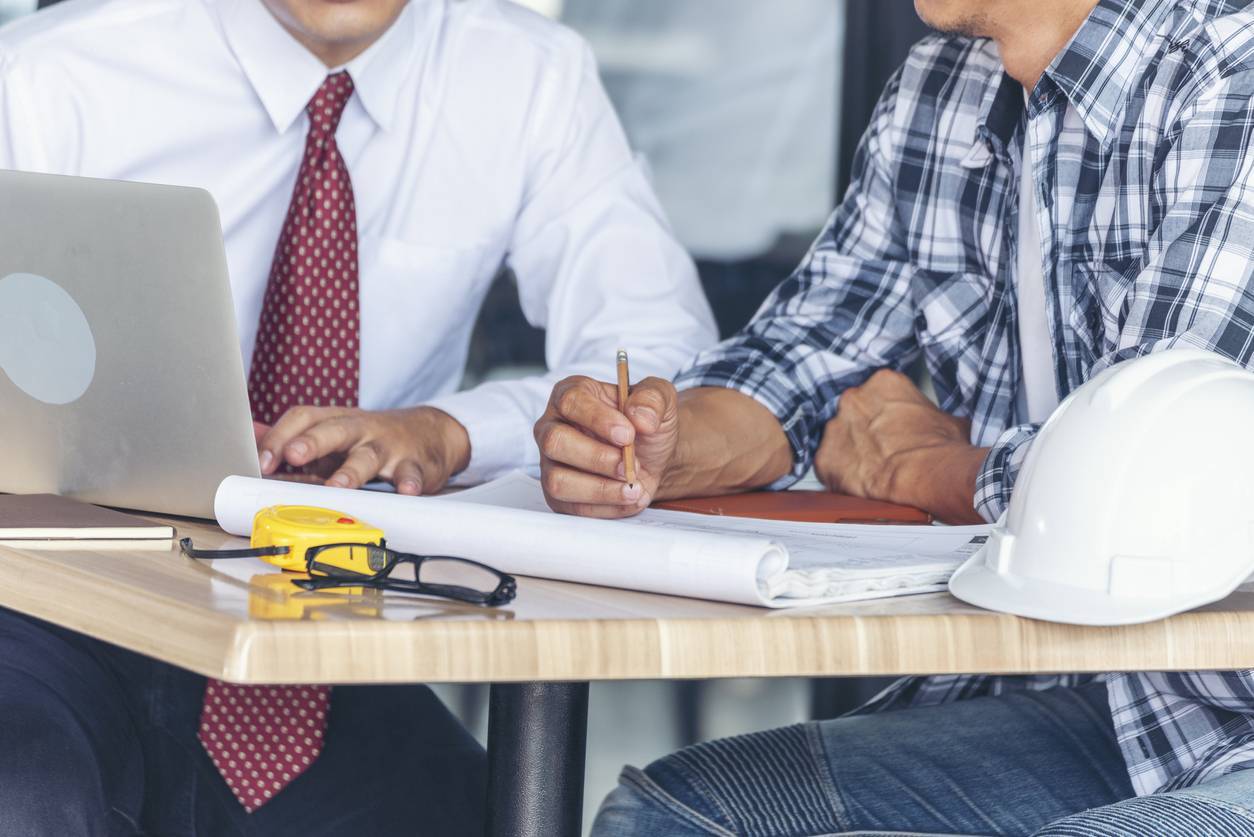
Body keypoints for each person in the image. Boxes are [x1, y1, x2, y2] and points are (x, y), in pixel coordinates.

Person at [535, 0, 1254, 832]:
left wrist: (926, 470)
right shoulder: (940, 85)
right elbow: (805, 354)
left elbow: (1148, 492)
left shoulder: (1232, 73)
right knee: (674, 815)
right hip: (1093, 701)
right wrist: (656, 442)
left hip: (1232, 708)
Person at [0, 0, 714, 834]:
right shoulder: (48, 72)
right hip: (60, 613)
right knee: (23, 792)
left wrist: (449, 430)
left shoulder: (526, 74)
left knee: (479, 820)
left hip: (325, 635)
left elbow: (664, 352)